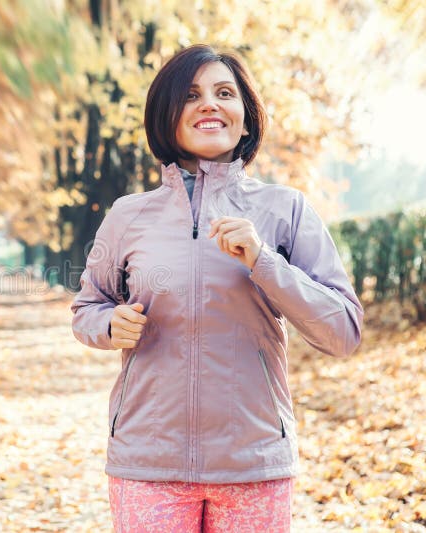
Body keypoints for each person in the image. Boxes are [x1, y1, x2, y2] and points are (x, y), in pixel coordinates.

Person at [70, 44, 363, 532]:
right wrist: (107, 323)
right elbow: (87, 308)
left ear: (245, 120)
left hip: (254, 464)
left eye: (223, 92)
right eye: (190, 94)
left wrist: (264, 262)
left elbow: (343, 332)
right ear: (167, 118)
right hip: (148, 464)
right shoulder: (127, 216)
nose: (209, 103)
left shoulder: (285, 209)